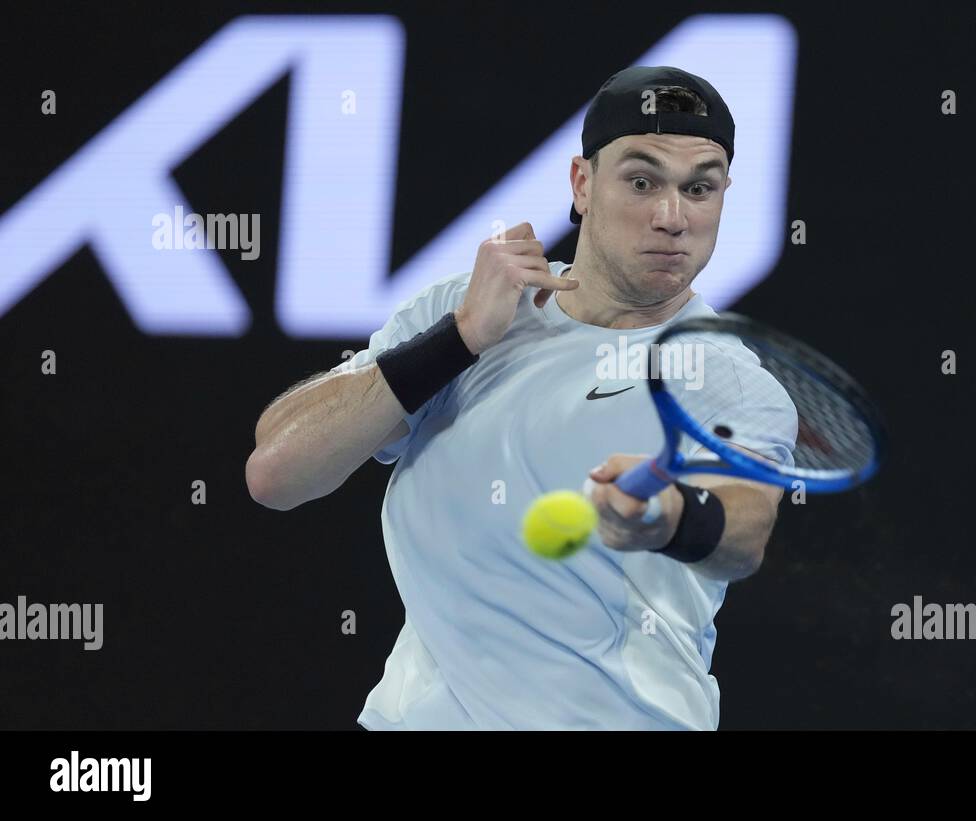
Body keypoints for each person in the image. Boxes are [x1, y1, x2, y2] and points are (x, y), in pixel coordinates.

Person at [245, 66, 795, 729]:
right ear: (582, 184)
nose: (672, 216)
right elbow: (276, 471)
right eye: (642, 180)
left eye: (700, 188)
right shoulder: (464, 308)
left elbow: (746, 529)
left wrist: (671, 517)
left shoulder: (727, 373)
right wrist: (462, 339)